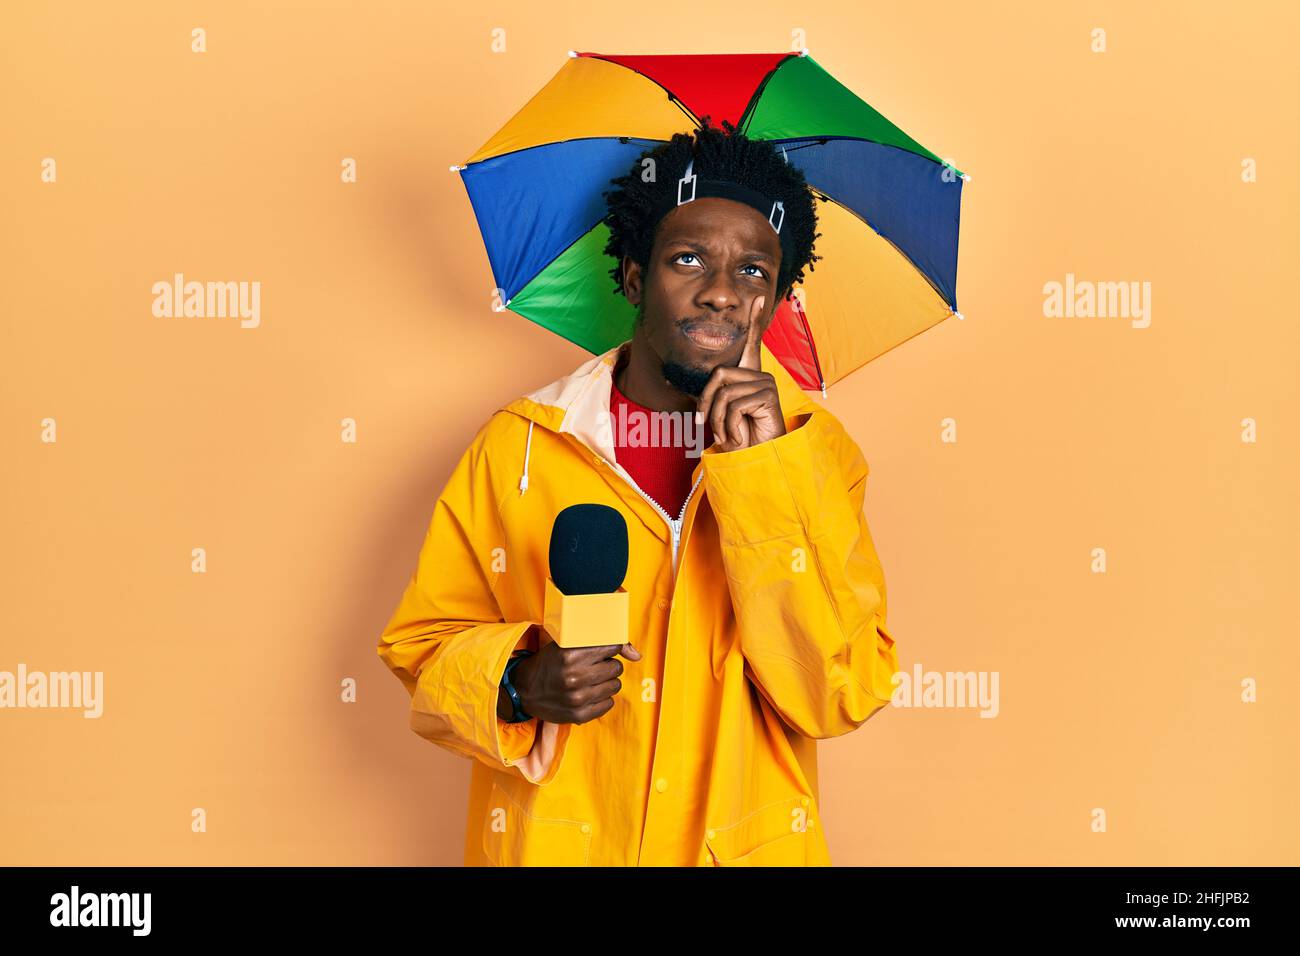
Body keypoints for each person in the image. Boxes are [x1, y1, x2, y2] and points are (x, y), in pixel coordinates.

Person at [376, 119, 899, 866]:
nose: (721, 293)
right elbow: (422, 649)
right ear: (631, 277)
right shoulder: (523, 445)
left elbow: (839, 693)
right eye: (689, 259)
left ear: (776, 304)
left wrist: (762, 473)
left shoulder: (820, 454)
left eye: (754, 271)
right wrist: (518, 683)